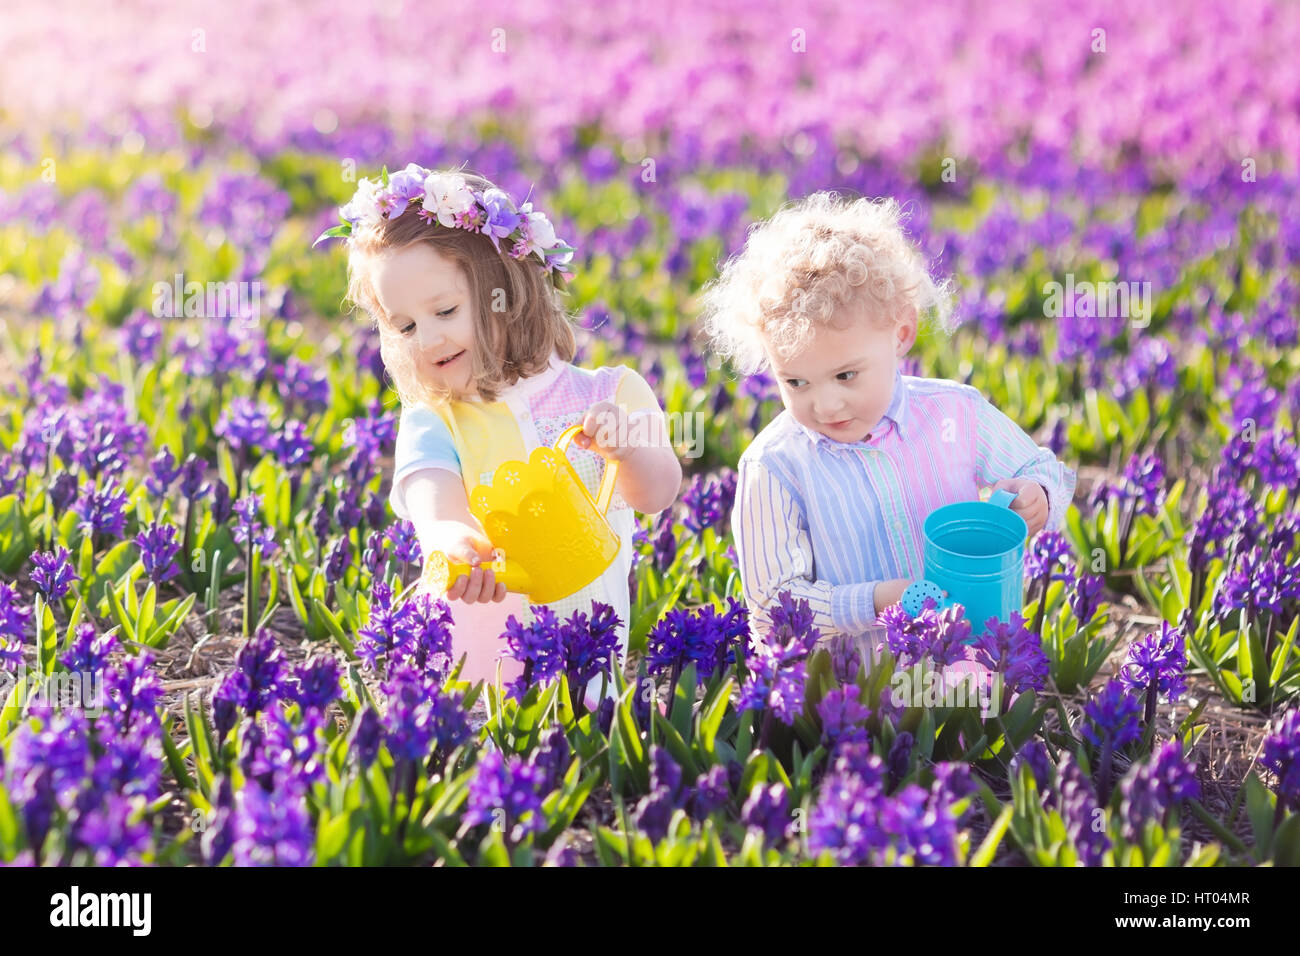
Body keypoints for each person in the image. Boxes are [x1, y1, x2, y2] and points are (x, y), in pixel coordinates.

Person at [322, 164, 681, 705]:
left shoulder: (612, 394)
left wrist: (626, 450)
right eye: (405, 326)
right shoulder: (434, 419)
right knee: (486, 736)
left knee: (581, 738)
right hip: (480, 632)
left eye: (445, 310)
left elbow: (657, 494)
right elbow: (434, 506)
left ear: (508, 294)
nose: (428, 338)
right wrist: (455, 544)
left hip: (589, 641)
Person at [699, 190, 1077, 681]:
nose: (825, 404)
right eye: (795, 382)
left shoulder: (954, 412)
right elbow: (774, 610)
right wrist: (879, 600)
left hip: (973, 681)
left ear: (900, 334)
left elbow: (1043, 468)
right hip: (857, 707)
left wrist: (1038, 496)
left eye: (846, 376)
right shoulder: (774, 465)